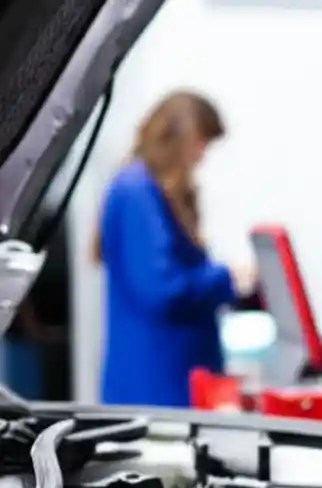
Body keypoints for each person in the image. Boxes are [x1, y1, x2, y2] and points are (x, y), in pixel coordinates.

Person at [97, 90, 258, 407]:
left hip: (173, 379)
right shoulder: (136, 191)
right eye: (200, 144)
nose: (200, 157)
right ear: (177, 137)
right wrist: (228, 278)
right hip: (156, 384)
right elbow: (161, 289)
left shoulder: (148, 191)